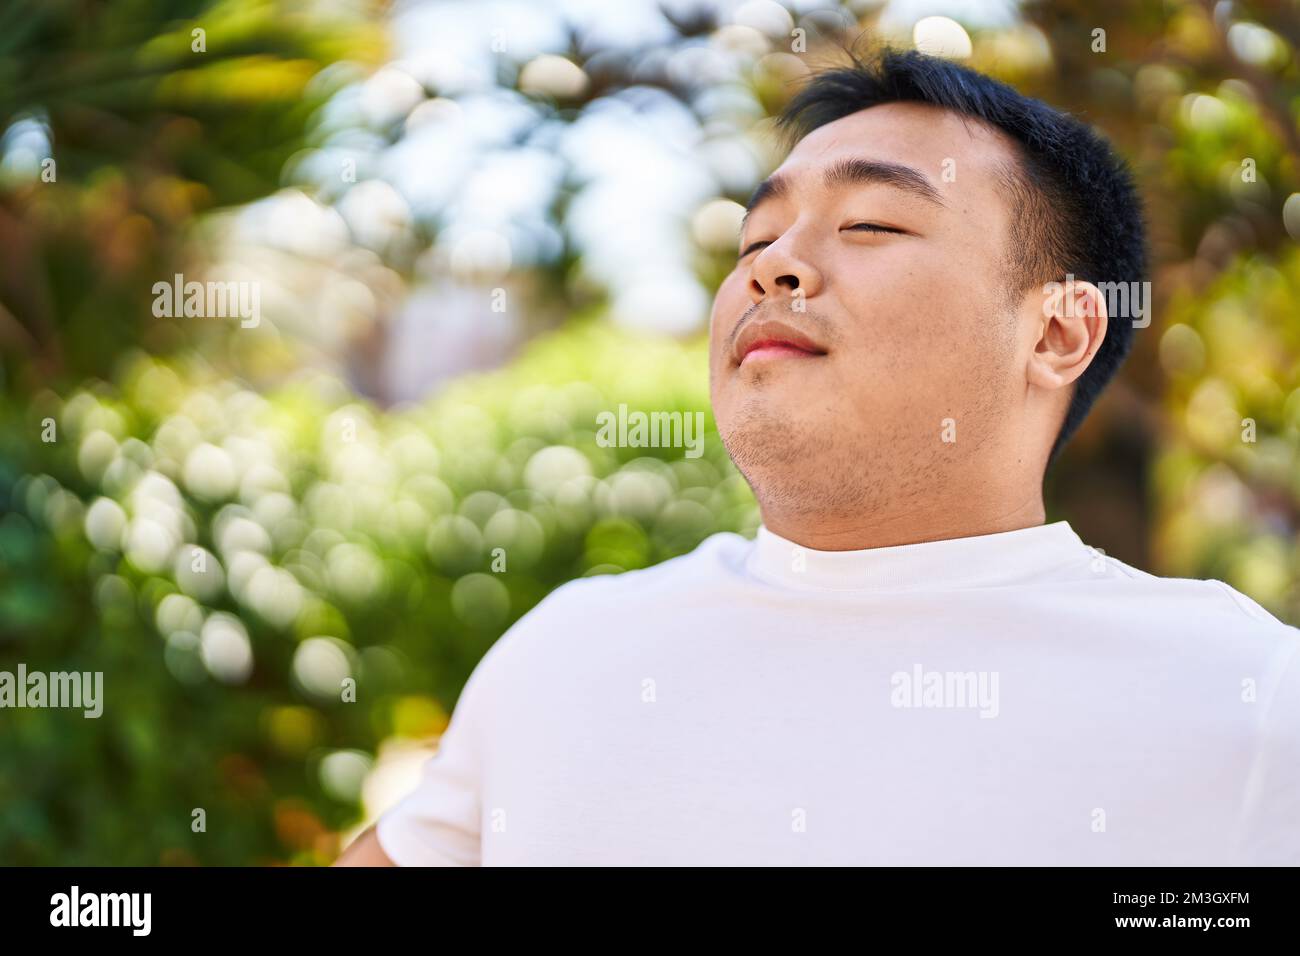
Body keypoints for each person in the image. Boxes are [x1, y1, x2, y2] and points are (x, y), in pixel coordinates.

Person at [335, 47, 1300, 866]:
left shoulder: (1246, 695)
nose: (770, 266)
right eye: (756, 236)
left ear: (1056, 333)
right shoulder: (564, 651)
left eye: (871, 224)